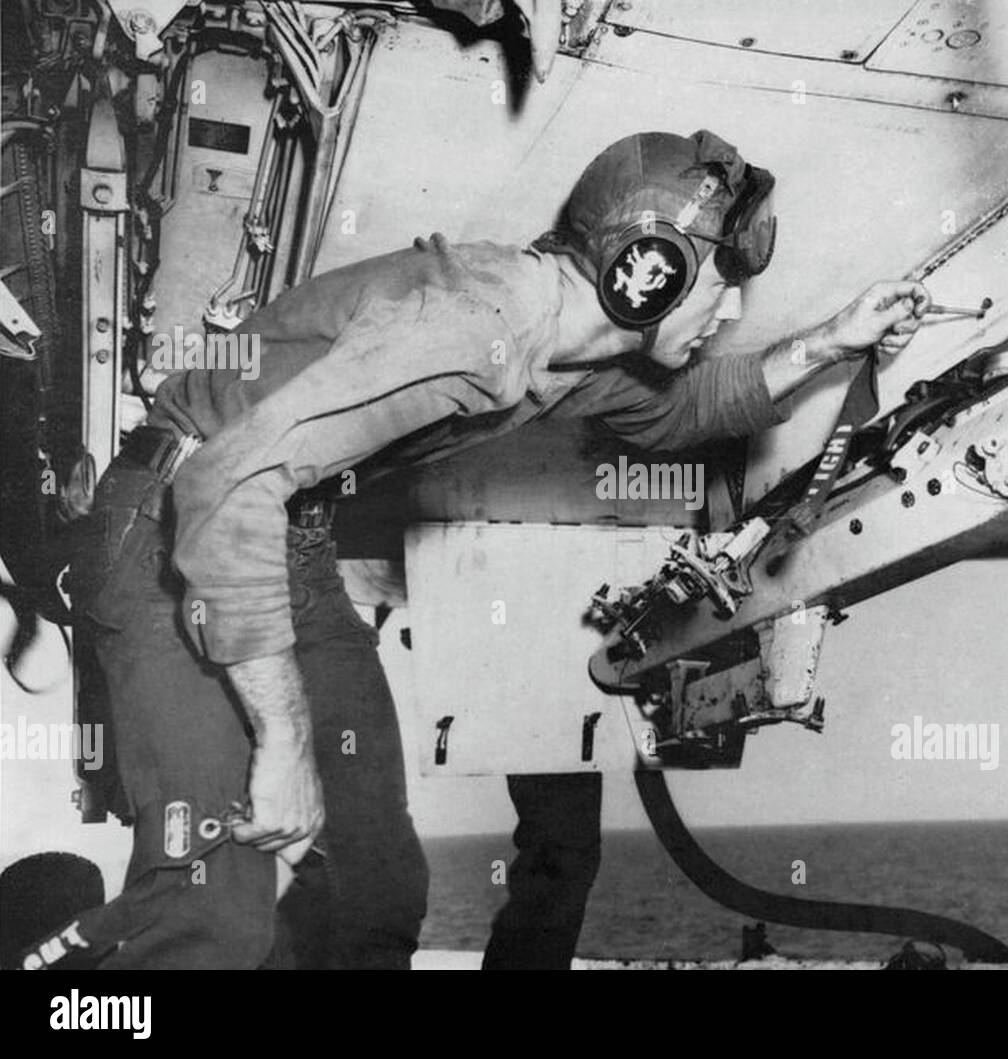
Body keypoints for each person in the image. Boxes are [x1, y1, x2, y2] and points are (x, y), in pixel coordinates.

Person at [26, 128, 928, 970]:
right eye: (718, 281)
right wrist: (281, 737)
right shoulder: (477, 328)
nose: (732, 309)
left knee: (372, 894)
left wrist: (831, 341)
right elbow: (222, 486)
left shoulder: (574, 354)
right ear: (645, 270)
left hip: (288, 543)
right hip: (174, 536)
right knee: (210, 910)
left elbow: (687, 410)